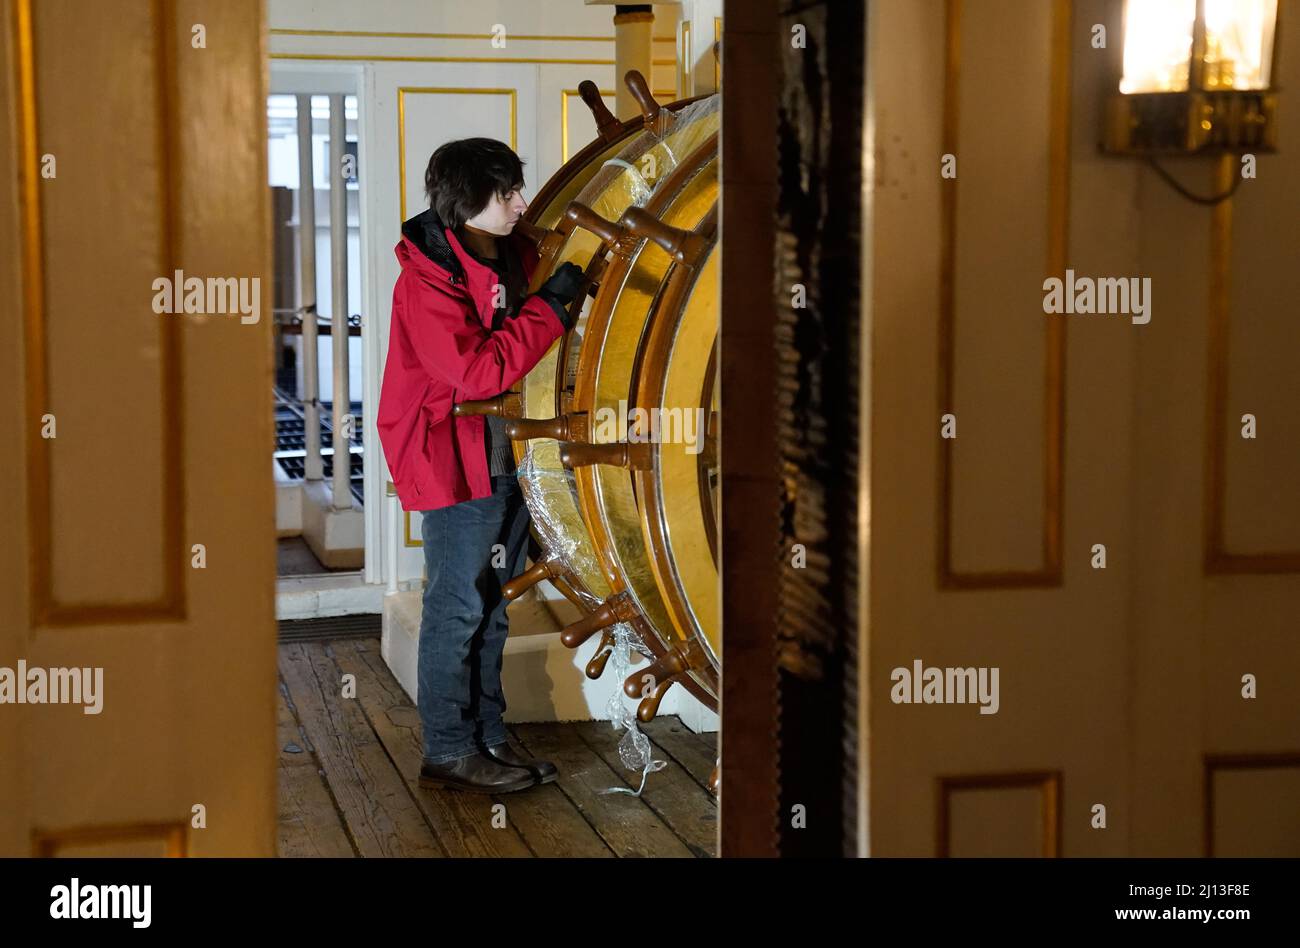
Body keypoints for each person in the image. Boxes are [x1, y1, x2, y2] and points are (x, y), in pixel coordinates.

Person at [377, 138, 585, 793]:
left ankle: (487, 742)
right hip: (452, 461)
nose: (522, 203)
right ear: (466, 201)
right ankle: (446, 750)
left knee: (492, 607)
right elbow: (474, 370)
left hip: (506, 457)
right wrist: (553, 307)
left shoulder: (509, 253)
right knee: (457, 609)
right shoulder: (425, 278)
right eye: (507, 193)